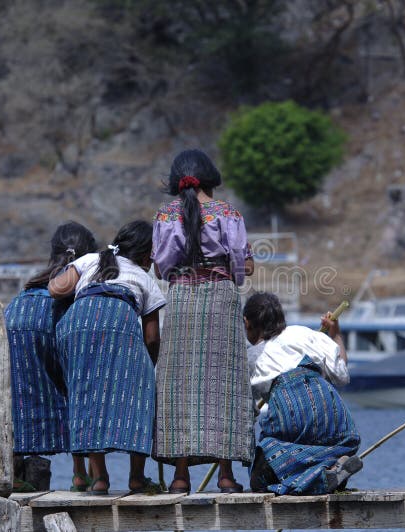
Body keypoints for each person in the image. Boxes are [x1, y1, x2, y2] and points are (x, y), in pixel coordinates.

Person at [151, 148, 255, 494]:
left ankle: (181, 477)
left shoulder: (165, 216)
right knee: (224, 383)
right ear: (209, 177)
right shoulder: (228, 213)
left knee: (179, 383)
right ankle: (225, 476)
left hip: (181, 299)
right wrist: (235, 271)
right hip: (221, 299)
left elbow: (161, 268)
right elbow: (243, 266)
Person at [49, 220, 166, 495]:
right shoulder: (145, 278)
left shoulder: (91, 260)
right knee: (140, 398)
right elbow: (151, 337)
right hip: (119, 322)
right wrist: (147, 368)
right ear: (146, 252)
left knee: (86, 395)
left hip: (76, 324)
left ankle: (99, 479)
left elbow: (55, 289)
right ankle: (136, 478)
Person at [4, 221, 97, 492]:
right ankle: (83, 474)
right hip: (47, 332)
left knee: (18, 394)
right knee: (79, 383)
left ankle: (14, 467)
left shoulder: (25, 293)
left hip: (17, 343)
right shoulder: (68, 297)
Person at [245, 292, 361, 494]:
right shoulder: (307, 334)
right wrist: (336, 335)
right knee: (330, 443)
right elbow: (341, 374)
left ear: (247, 323)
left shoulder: (252, 356)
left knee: (261, 476)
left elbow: (248, 409)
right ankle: (334, 467)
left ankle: (318, 476)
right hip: (330, 410)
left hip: (291, 410)